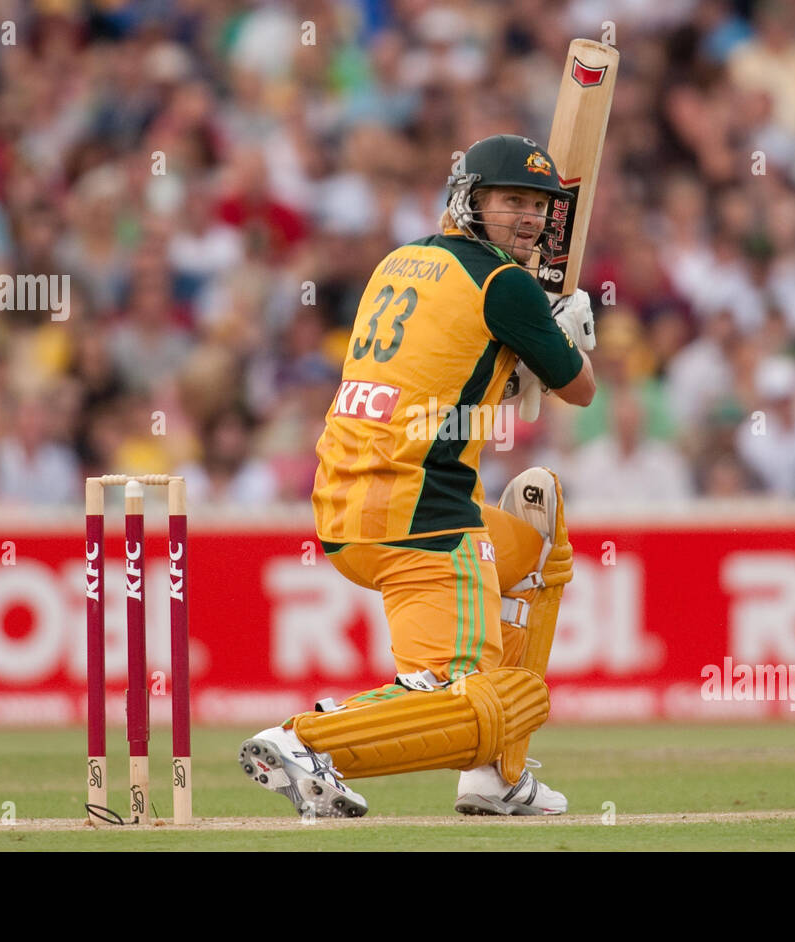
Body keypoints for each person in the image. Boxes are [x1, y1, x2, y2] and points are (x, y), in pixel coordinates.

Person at [239, 134, 596, 817]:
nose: (530, 217)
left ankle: (497, 779)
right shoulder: (505, 284)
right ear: (470, 201)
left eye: (540, 206)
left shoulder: (398, 262)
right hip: (424, 512)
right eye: (511, 201)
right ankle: (304, 741)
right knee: (468, 699)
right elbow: (580, 390)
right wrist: (570, 333)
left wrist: (523, 355)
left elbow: (445, 367)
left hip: (344, 504)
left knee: (534, 547)